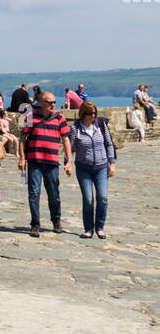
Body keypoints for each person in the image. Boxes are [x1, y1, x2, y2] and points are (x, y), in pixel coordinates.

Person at [18, 91, 72, 237]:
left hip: (52, 161)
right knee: (34, 193)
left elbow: (66, 139)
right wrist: (22, 158)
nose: (53, 105)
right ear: (41, 102)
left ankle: (56, 220)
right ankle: (35, 224)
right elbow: (22, 138)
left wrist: (69, 161)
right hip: (34, 160)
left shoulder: (59, 117)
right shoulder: (30, 116)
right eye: (50, 102)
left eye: (54, 102)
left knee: (54, 194)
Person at [71, 100, 116, 239]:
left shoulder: (101, 125)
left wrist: (112, 163)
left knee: (103, 198)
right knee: (88, 199)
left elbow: (109, 144)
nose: (93, 116)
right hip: (83, 168)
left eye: (95, 113)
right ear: (83, 114)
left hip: (101, 167)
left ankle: (100, 227)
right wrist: (67, 162)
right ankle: (89, 229)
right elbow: (70, 147)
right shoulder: (75, 128)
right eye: (90, 113)